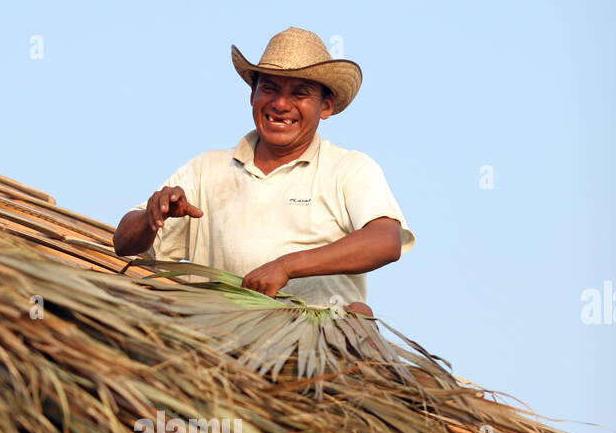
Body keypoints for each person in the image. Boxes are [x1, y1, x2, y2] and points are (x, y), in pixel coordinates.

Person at [113, 27, 414, 316]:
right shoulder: (206, 169)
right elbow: (124, 243)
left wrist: (286, 266)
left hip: (315, 348)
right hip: (218, 341)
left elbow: (385, 242)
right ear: (252, 95)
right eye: (269, 88)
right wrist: (153, 216)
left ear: (326, 106)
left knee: (358, 315)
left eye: (300, 93)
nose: (281, 104)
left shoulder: (348, 169)